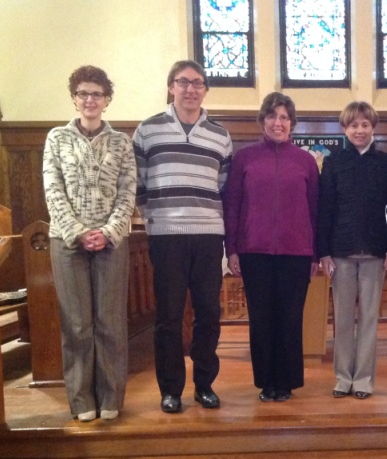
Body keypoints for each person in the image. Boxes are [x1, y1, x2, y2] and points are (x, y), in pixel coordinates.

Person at [133, 60, 232, 413]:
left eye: (197, 83)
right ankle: (171, 389)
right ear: (171, 86)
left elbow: (223, 186)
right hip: (168, 237)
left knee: (209, 314)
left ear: (205, 89)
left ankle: (204, 385)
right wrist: (155, 219)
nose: (190, 89)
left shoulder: (220, 135)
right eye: (183, 82)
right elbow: (138, 183)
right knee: (169, 316)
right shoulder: (148, 130)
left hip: (208, 236)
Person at [43, 65, 137, 422]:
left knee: (109, 322)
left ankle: (111, 398)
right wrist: (79, 231)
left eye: (96, 93)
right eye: (83, 93)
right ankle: (82, 401)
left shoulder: (121, 142)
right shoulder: (57, 139)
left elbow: (128, 192)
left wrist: (109, 231)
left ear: (107, 99)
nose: (89, 99)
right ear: (74, 97)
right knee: (77, 324)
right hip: (67, 242)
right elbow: (53, 191)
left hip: (112, 241)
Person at [224, 92, 319, 403]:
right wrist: (232, 248)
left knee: (290, 319)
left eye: (284, 117)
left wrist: (315, 252)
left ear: (291, 123)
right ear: (262, 120)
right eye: (272, 116)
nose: (278, 123)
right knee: (262, 319)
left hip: (296, 253)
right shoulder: (244, 158)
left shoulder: (306, 161)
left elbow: (315, 209)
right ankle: (266, 381)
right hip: (254, 252)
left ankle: (287, 382)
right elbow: (233, 204)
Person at [317, 102, 387, 400]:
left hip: (375, 250)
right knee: (342, 318)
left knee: (368, 318)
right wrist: (323, 252)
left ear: (373, 127)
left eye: (365, 124)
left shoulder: (386, 163)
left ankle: (364, 379)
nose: (359, 130)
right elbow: (325, 209)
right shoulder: (334, 162)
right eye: (353, 125)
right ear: (344, 129)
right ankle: (342, 377)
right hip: (340, 251)